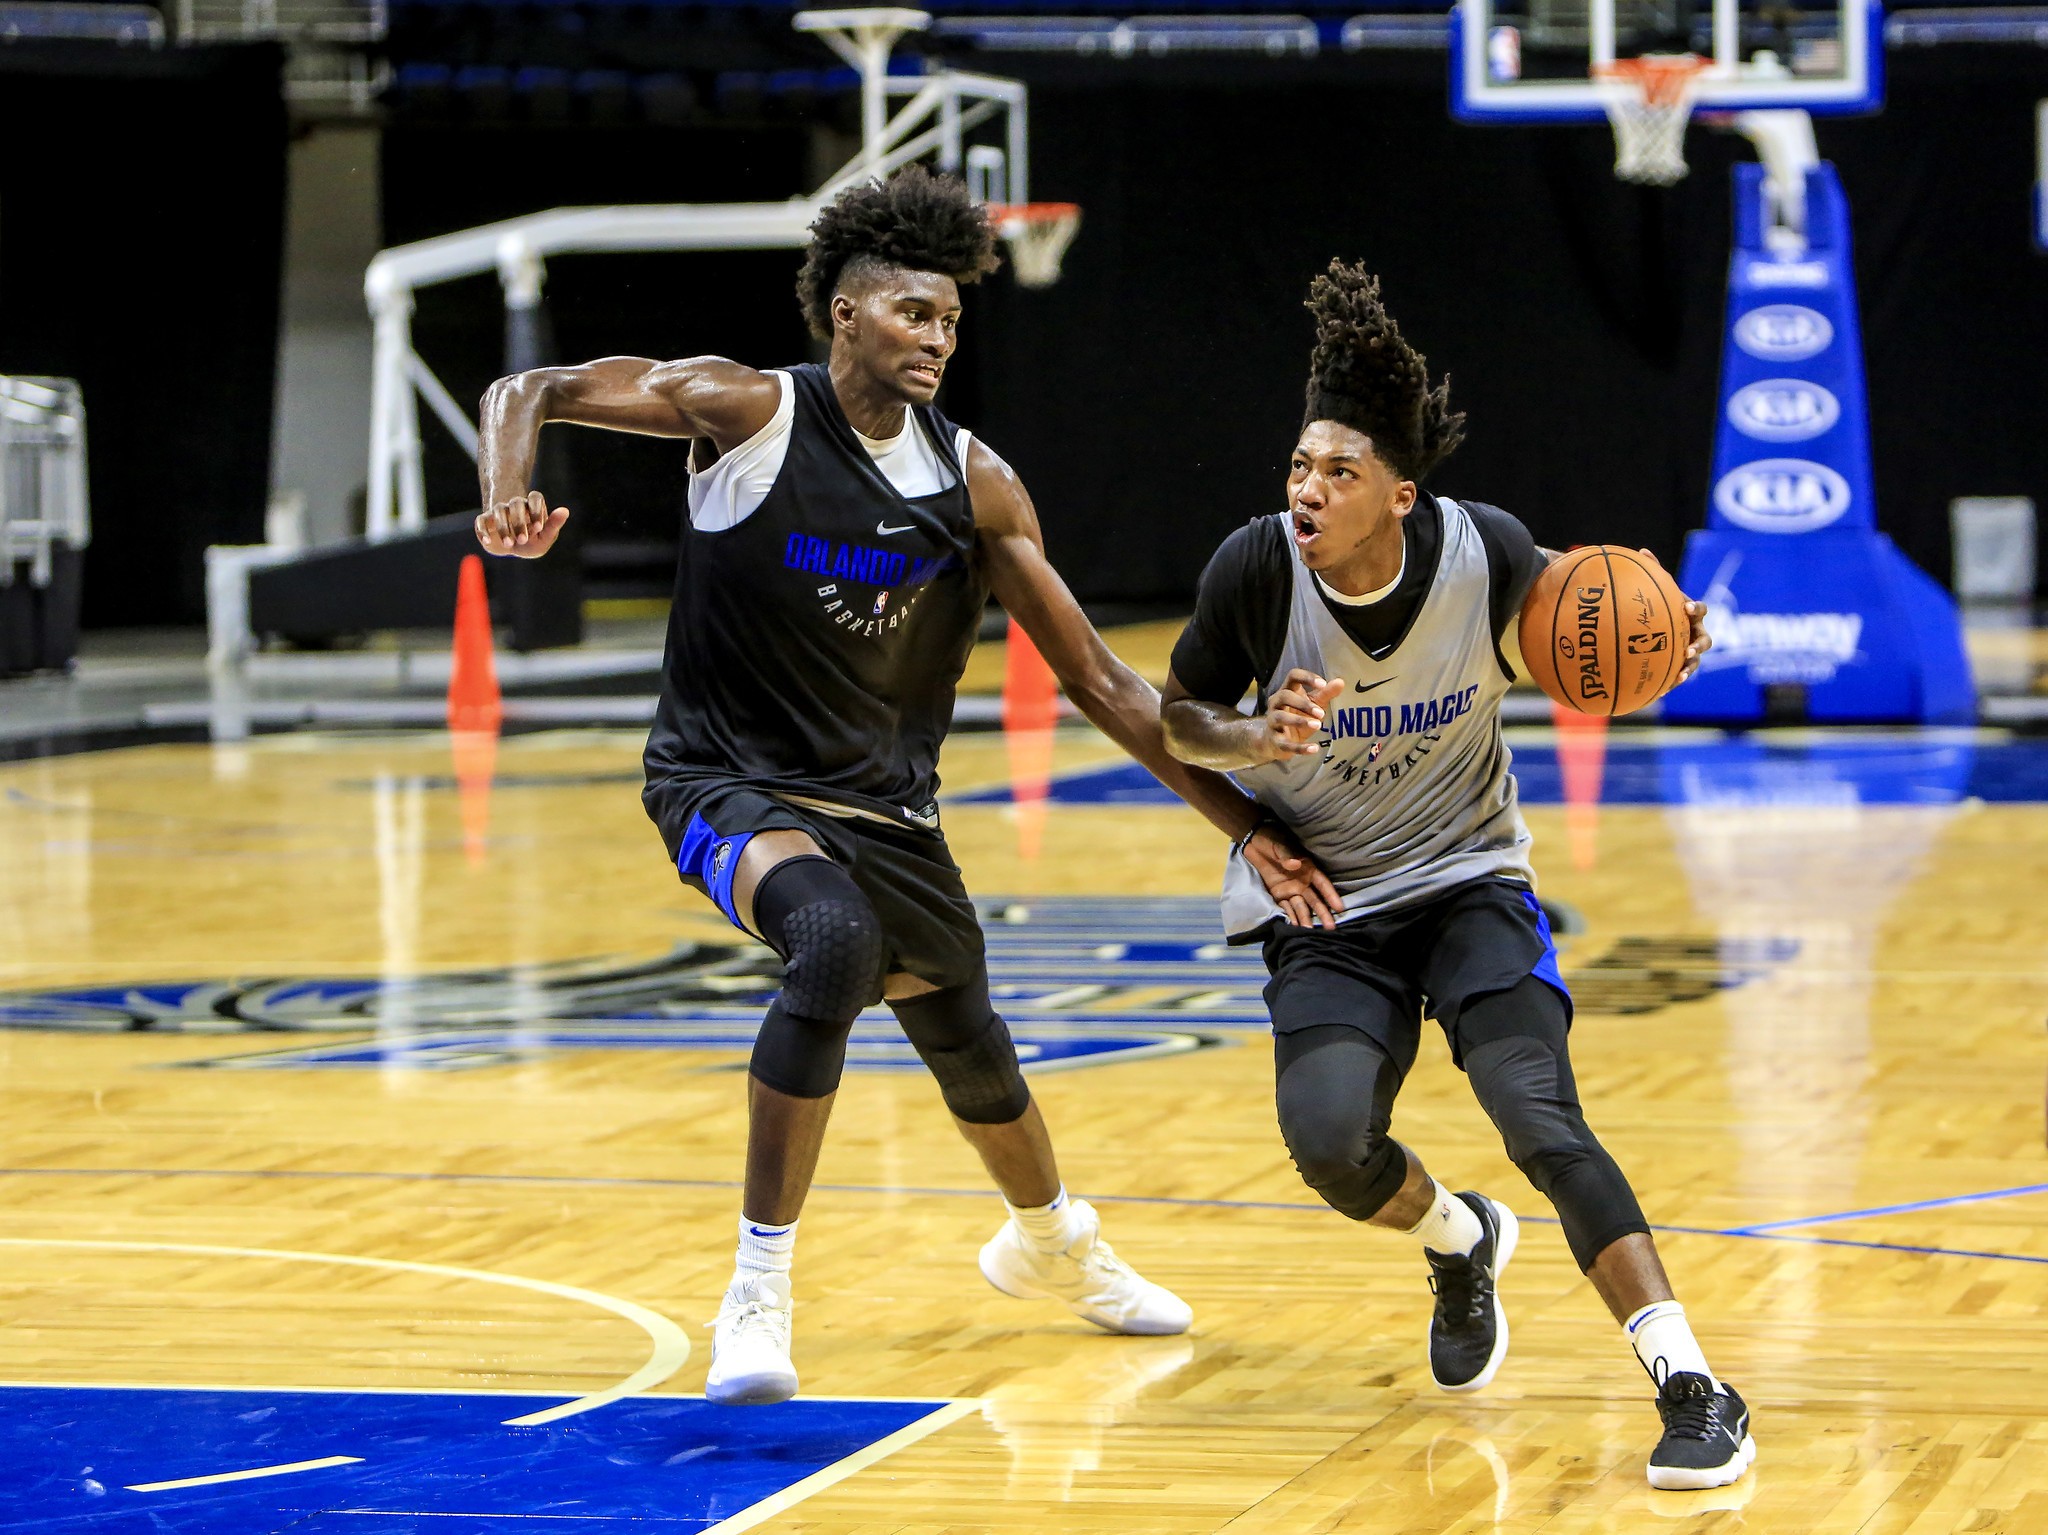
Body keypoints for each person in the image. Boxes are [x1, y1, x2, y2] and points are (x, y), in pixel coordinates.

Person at [472, 166, 1326, 1406]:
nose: (936, 338)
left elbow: (1100, 685)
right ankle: (755, 1293)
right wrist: (507, 489)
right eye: (913, 315)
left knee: (971, 1047)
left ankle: (1052, 1243)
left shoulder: (974, 483)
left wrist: (1243, 806)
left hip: (887, 807)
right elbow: (528, 387)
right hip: (722, 778)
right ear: (846, 317)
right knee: (829, 943)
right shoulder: (747, 409)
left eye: (949, 320)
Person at [1158, 260, 1751, 1492]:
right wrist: (1251, 738)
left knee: (1536, 1113)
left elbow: (1597, 625)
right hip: (1328, 902)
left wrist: (1668, 633)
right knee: (1326, 1139)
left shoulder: (1484, 554)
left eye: (1337, 472)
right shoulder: (1254, 571)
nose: (1305, 488)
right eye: (1298, 465)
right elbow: (1175, 719)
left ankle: (1693, 1381)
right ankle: (1457, 1235)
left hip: (1469, 877)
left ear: (1398, 492)